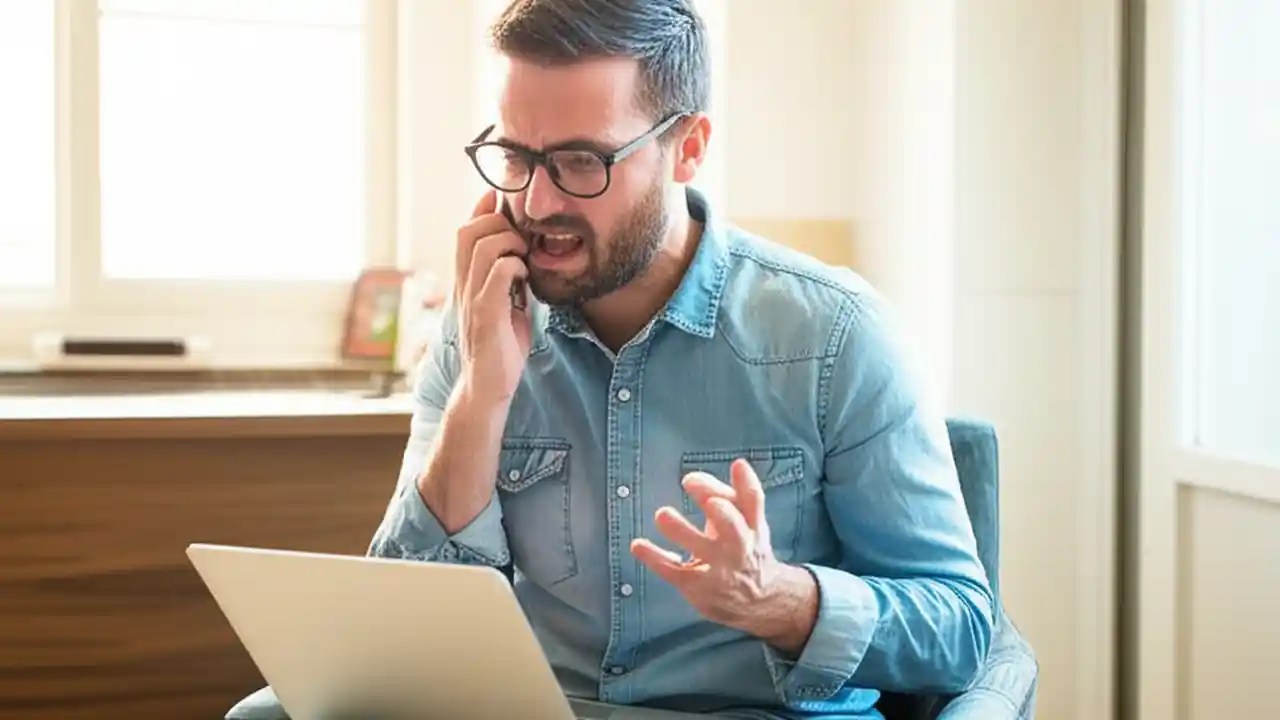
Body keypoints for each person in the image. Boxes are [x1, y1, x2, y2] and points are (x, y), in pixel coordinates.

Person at [232, 1, 994, 718]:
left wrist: (780, 599)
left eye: (580, 162)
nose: (534, 204)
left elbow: (961, 628)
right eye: (516, 156)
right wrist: (483, 393)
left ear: (687, 148)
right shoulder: (479, 324)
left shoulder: (835, 335)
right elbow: (400, 631)